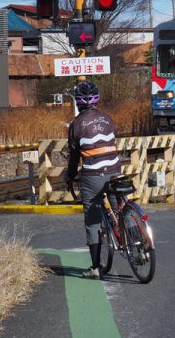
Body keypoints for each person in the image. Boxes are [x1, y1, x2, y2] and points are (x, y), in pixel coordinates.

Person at [65, 80, 121, 279]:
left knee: (93, 220)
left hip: (92, 177)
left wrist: (70, 176)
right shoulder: (108, 119)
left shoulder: (76, 125)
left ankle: (96, 267)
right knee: (119, 208)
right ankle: (137, 244)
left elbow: (74, 157)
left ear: (78, 102)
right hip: (115, 172)